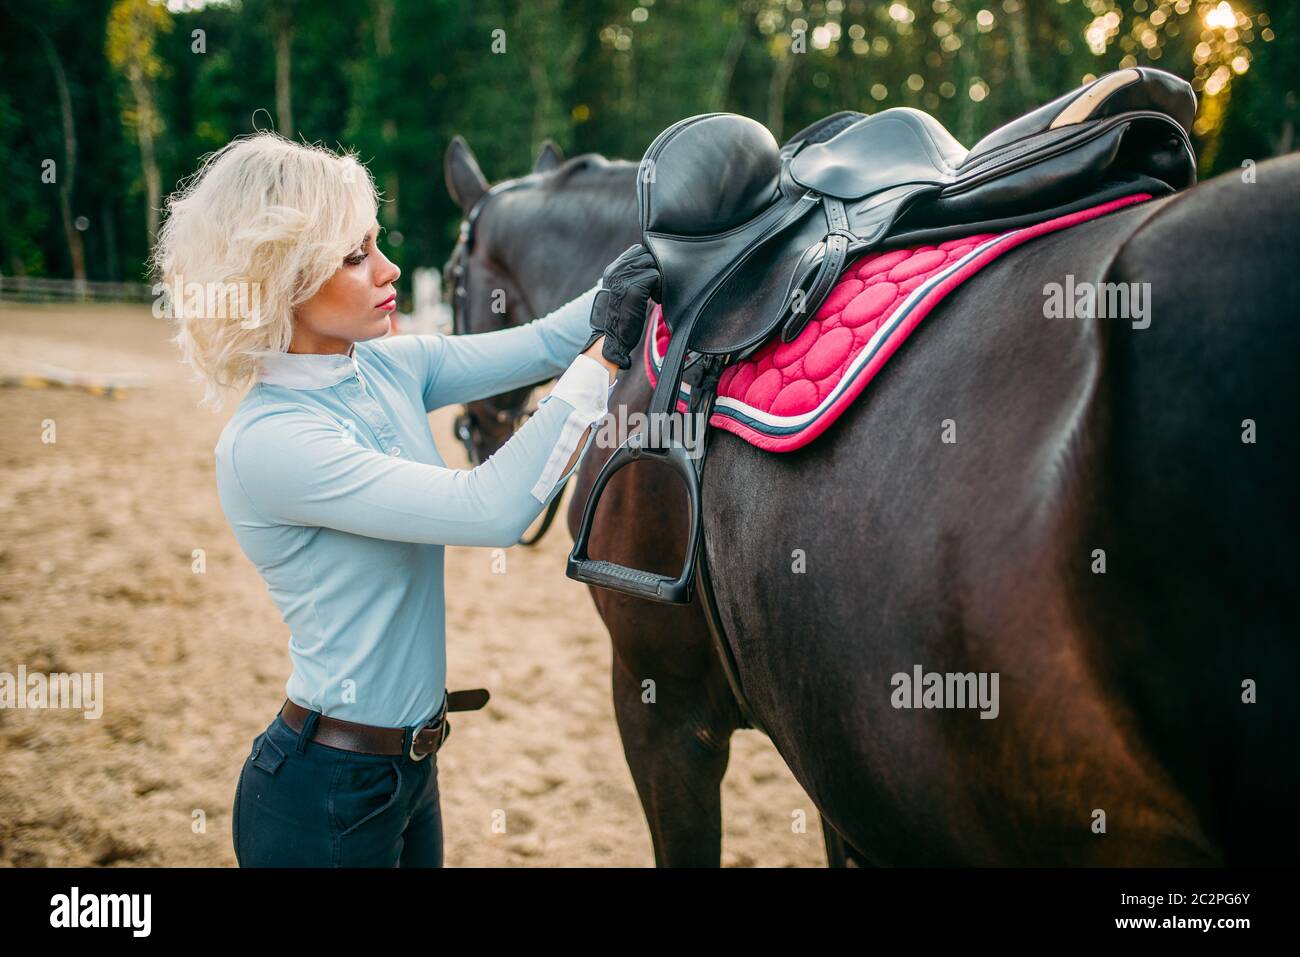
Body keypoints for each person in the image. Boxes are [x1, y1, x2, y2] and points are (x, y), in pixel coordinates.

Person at [151, 131, 652, 867]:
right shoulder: (270, 444)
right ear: (280, 280)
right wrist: (607, 356)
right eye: (355, 257)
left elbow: (547, 339)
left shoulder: (386, 365)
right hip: (324, 793)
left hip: (410, 773)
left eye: (375, 243)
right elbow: (492, 508)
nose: (386, 268)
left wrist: (658, 250)